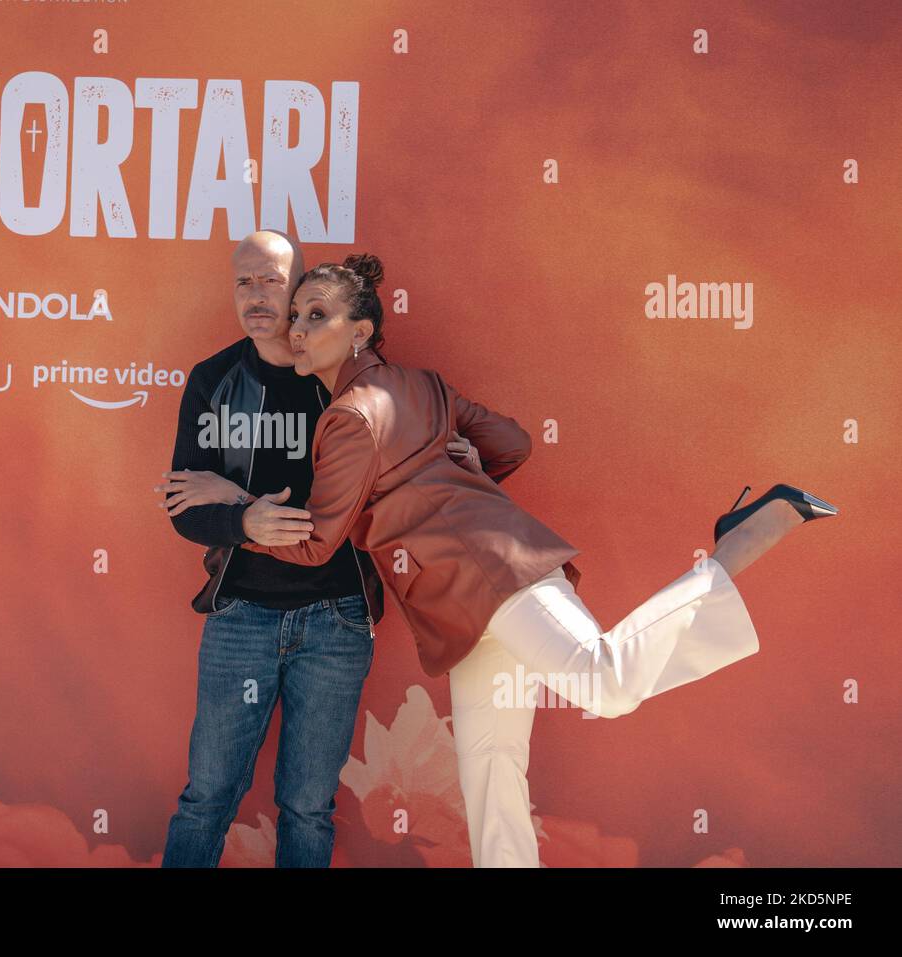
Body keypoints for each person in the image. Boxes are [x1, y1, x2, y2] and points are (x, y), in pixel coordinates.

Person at [228, 251, 838, 867]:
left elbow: (314, 542)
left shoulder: (347, 416)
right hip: (467, 606)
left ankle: (734, 545)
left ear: (360, 331)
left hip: (491, 577)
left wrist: (233, 514)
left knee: (606, 682)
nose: (298, 329)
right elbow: (513, 442)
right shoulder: (426, 386)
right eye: (296, 317)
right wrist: (456, 460)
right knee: (492, 775)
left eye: (316, 314)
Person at [155, 230, 386, 868]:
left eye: (272, 280)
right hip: (241, 615)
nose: (256, 295)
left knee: (309, 806)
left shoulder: (347, 378)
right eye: (243, 281)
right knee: (207, 795)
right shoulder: (214, 379)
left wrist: (236, 499)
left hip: (337, 617)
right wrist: (241, 524)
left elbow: (377, 494)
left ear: (300, 289)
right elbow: (183, 506)